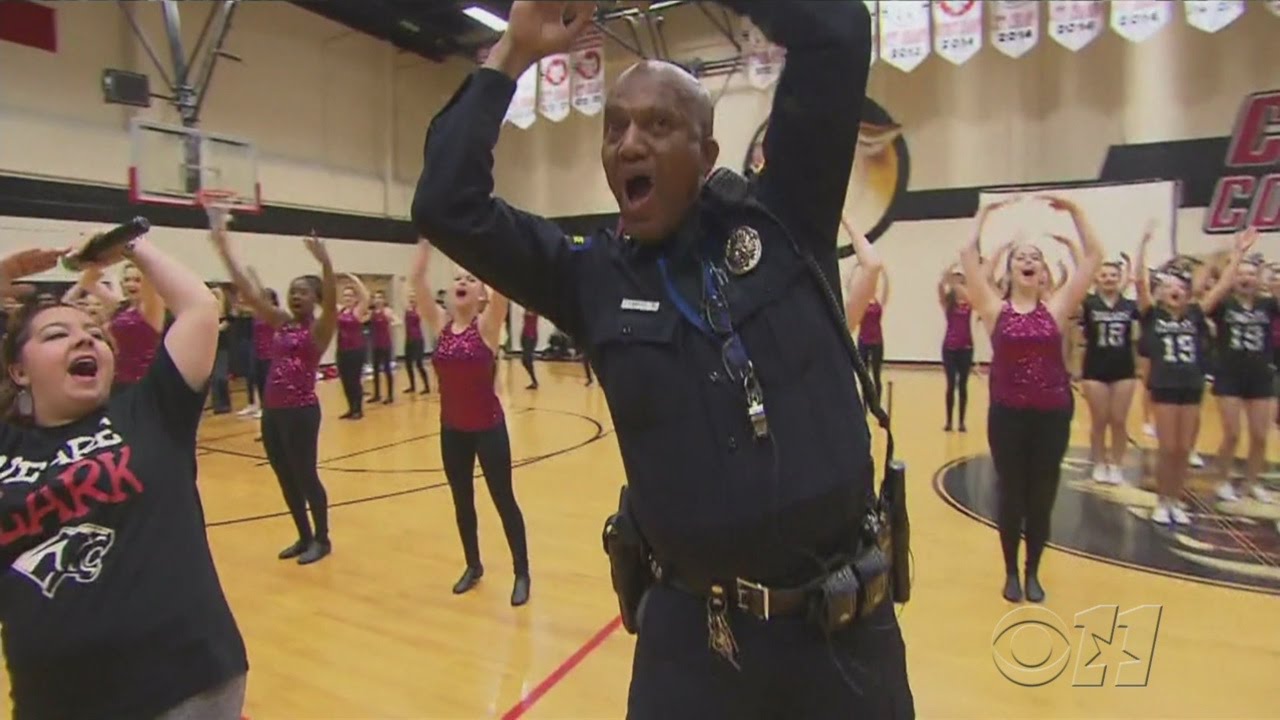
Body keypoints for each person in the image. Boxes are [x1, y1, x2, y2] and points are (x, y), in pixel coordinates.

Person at [411, 2, 911, 716]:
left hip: (841, 643)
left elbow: (836, 29)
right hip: (694, 644)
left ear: (707, 157)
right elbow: (446, 204)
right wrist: (513, 53)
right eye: (614, 128)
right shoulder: (589, 280)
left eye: (658, 125)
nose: (629, 143)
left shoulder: (786, 217)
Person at [0, 238, 249, 719]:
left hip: (185, 687)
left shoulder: (149, 410)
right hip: (56, 702)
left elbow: (198, 307)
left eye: (95, 332)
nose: (85, 339)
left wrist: (132, 245)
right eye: (55, 335)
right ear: (18, 370)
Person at [961, 196, 1103, 603]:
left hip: (1051, 415)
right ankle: (1009, 571)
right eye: (1021, 256)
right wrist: (984, 214)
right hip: (1007, 415)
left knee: (1042, 496)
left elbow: (1094, 256)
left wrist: (1076, 211)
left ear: (1043, 274)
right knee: (1011, 493)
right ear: (1011, 269)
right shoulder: (993, 309)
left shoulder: (1056, 308)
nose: (1028, 260)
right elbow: (967, 255)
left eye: (1035, 258)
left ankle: (1033, 571)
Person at [409, 240, 530, 606]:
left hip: (489, 428)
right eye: (458, 277)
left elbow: (503, 296)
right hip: (452, 430)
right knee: (462, 502)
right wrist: (427, 242)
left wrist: (487, 266)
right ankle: (473, 565)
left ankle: (521, 572)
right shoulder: (440, 324)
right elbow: (416, 281)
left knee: (503, 500)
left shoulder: (488, 327)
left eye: (471, 278)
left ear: (481, 293)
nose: (462, 281)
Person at [211, 219, 338, 564]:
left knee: (306, 476)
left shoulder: (321, 329)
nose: (297, 295)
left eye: (304, 291)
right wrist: (225, 251)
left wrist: (325, 263)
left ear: (316, 299)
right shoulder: (280, 321)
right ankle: (303, 535)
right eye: (293, 290)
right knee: (285, 477)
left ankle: (323, 539)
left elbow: (332, 302)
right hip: (273, 411)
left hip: (302, 411)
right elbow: (249, 293)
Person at [1078, 251, 1141, 485]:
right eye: (1104, 275)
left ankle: (1116, 464)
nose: (1109, 279)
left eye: (1113, 275)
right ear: (1097, 278)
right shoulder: (1089, 303)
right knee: (1099, 419)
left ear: (1120, 278)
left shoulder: (1129, 305)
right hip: (1095, 368)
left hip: (1124, 368)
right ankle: (1099, 462)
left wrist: (1134, 265)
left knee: (1119, 419)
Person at [938, 265, 974, 431]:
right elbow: (940, 286)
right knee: (951, 385)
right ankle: (948, 421)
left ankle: (961, 422)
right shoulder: (948, 303)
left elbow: (972, 296)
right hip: (950, 348)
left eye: (961, 281)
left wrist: (962, 285)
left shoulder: (969, 302)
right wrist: (949, 274)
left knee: (963, 385)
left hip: (966, 347)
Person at [367, 289, 398, 404]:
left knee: (387, 370)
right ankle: (377, 394)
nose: (377, 300)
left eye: (380, 297)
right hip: (375, 343)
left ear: (384, 299)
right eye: (375, 297)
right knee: (375, 370)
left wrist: (391, 323)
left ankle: (390, 395)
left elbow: (398, 321)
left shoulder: (387, 311)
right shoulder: (372, 312)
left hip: (385, 343)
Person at [403, 290, 431, 394]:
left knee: (419, 364)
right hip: (408, 339)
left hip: (418, 339)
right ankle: (412, 386)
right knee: (408, 364)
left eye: (414, 297)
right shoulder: (407, 309)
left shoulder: (419, 309)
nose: (412, 299)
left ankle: (427, 387)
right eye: (410, 297)